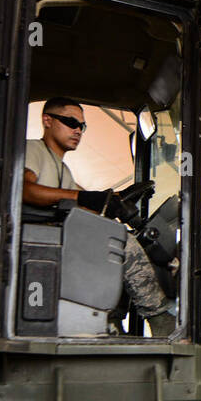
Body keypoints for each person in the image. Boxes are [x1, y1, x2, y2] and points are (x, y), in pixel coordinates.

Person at [23, 97, 176, 336]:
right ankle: (158, 317)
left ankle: (111, 320)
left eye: (82, 126)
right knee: (120, 241)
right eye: (71, 122)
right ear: (47, 120)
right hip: (40, 241)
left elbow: (85, 205)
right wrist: (85, 198)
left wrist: (116, 199)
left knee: (115, 236)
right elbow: (26, 190)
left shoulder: (63, 170)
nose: (78, 130)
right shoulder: (33, 149)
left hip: (59, 240)